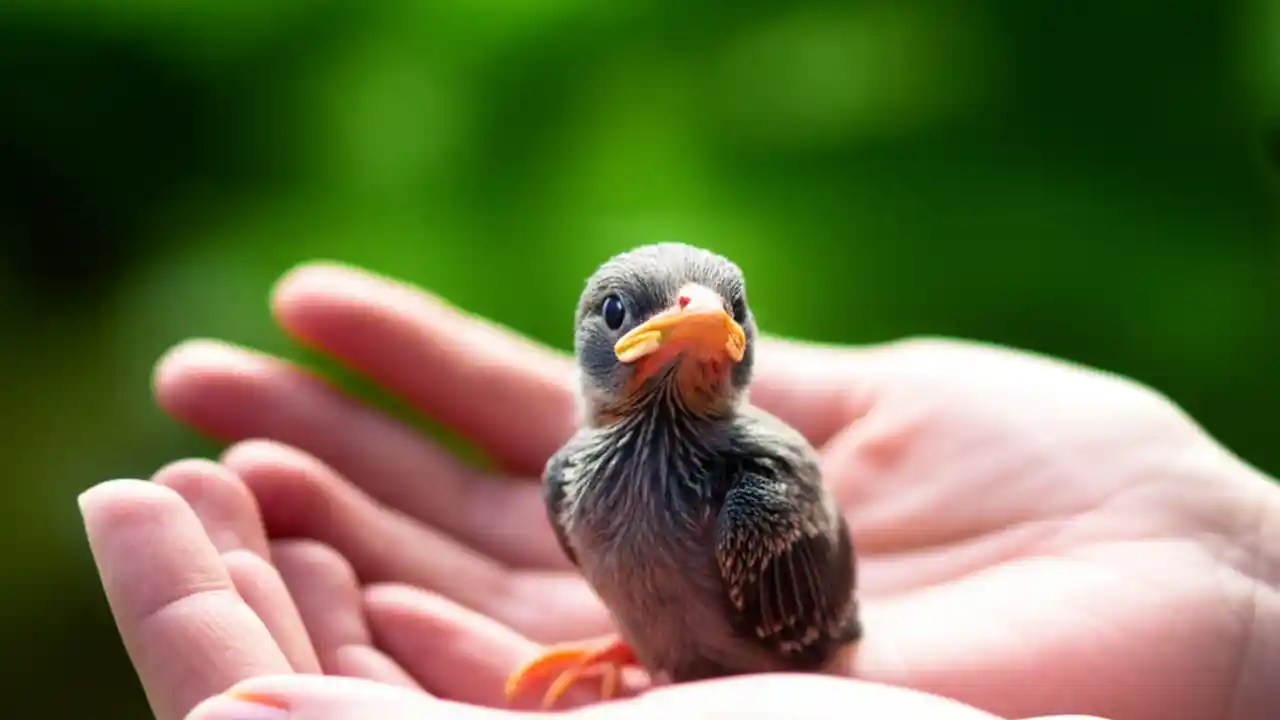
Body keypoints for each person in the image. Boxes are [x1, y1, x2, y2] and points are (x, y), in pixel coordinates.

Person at [79, 262, 1279, 720]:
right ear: (592, 343)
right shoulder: (572, 480)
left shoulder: (763, 492)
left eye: (721, 311)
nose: (692, 324)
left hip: (784, 655)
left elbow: (805, 654)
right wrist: (625, 638)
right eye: (628, 313)